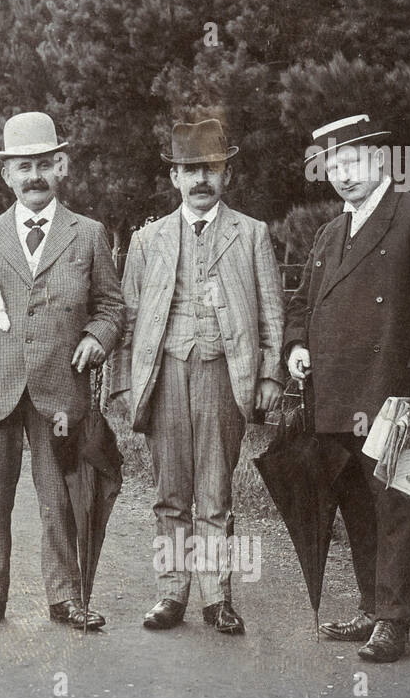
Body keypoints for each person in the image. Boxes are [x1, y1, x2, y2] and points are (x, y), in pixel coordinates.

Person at [284, 113, 410, 663]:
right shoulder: (330, 232)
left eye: (352, 162)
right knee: (358, 505)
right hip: (336, 393)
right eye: (332, 166)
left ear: (381, 162)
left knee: (401, 504)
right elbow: (304, 303)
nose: (342, 175)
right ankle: (370, 606)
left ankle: (395, 621)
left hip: (402, 390)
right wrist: (296, 346)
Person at [108, 119, 284, 635]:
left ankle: (216, 597)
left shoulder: (251, 234)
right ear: (175, 179)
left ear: (226, 174)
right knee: (169, 492)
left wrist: (270, 375)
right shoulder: (147, 239)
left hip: (224, 375)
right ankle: (170, 594)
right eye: (190, 170)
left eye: (211, 168)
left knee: (216, 492)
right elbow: (130, 317)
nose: (201, 179)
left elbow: (272, 312)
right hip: (164, 376)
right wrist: (123, 383)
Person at [0, 111, 125, 631]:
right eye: (23, 167)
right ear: (7, 174)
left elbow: (113, 306)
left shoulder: (88, 234)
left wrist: (97, 336)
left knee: (60, 496)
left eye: (44, 165)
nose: (34, 177)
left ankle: (65, 597)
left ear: (61, 167)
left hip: (58, 389)